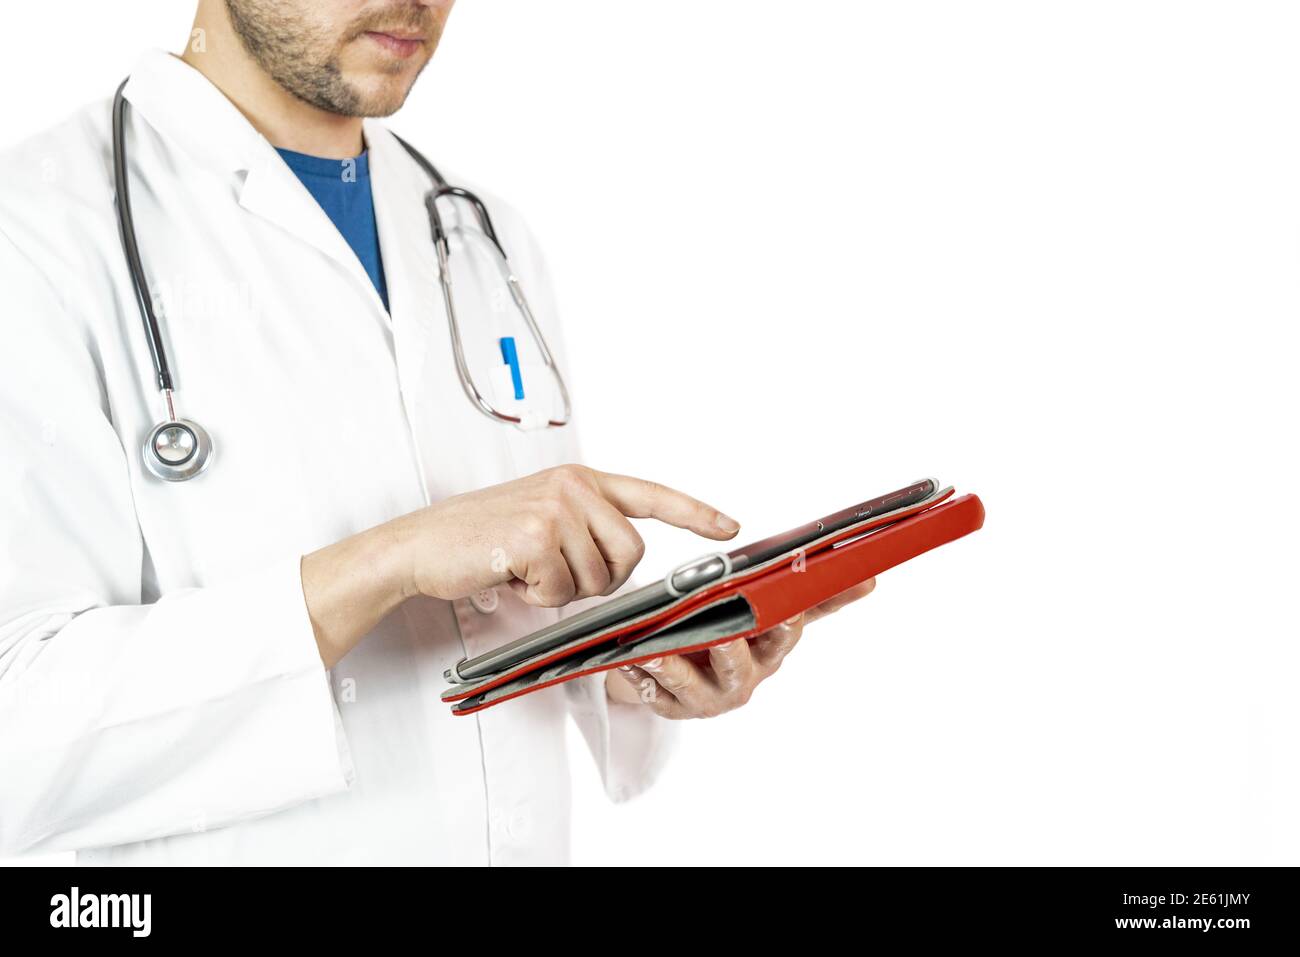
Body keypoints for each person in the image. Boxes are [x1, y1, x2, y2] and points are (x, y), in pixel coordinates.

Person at [0, 0, 872, 865]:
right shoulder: (36, 232)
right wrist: (395, 557)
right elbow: (19, 732)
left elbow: (499, 621)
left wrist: (640, 656)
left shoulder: (480, 232)